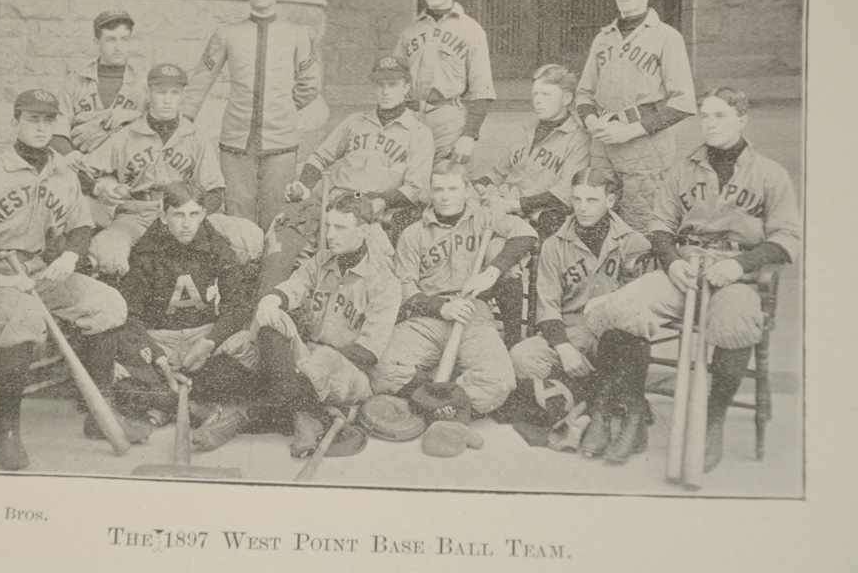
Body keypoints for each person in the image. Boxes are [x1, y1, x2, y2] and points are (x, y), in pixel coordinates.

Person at [585, 87, 800, 470]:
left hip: (736, 275)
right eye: (705, 116)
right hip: (683, 269)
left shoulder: (770, 173)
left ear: (741, 119)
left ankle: (711, 419)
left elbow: (787, 239)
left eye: (720, 115)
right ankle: (635, 415)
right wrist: (670, 262)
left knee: (734, 325)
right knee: (623, 306)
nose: (711, 123)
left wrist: (740, 265)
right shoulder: (683, 169)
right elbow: (660, 224)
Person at [0, 89, 132, 471]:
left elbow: (81, 226)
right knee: (26, 317)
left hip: (41, 270)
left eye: (48, 120)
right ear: (16, 122)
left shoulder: (64, 172)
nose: (41, 127)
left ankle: (99, 413)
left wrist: (70, 255)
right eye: (32, 120)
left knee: (109, 304)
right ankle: (6, 431)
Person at [233, 193, 403, 457]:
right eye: (329, 226)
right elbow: (294, 286)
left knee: (313, 365)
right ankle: (305, 414)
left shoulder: (384, 281)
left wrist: (301, 367)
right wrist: (271, 299)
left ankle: (244, 415)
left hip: (349, 370)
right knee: (269, 324)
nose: (330, 235)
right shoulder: (323, 260)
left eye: (340, 228)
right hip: (310, 354)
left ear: (364, 230)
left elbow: (367, 353)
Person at [369, 161, 537, 416]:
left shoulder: (484, 217)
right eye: (438, 190)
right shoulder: (413, 234)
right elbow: (404, 288)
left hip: (473, 313)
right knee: (380, 366)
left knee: (500, 381)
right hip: (426, 318)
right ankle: (442, 400)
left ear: (466, 189)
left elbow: (527, 234)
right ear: (431, 191)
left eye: (453, 189)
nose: (445, 197)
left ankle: (436, 402)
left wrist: (491, 273)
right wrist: (442, 308)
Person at [259, 55, 434, 295]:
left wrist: (380, 201)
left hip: (373, 206)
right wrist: (303, 186)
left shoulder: (419, 133)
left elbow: (413, 188)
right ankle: (269, 306)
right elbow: (320, 157)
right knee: (284, 234)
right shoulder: (355, 122)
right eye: (380, 85)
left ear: (406, 87)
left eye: (392, 85)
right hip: (334, 200)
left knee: (374, 263)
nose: (385, 91)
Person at [508, 168, 651, 462]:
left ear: (610, 200)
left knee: (627, 343)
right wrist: (564, 349)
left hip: (611, 335)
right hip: (570, 330)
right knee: (521, 356)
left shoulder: (634, 242)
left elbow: (639, 309)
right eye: (577, 199)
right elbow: (546, 305)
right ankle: (608, 395)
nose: (583, 208)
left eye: (592, 200)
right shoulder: (554, 244)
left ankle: (589, 400)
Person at [111, 181, 265, 430]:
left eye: (194, 215)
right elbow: (130, 315)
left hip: (202, 337)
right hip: (161, 341)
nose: (186, 224)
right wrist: (159, 357)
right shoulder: (146, 251)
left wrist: (209, 342)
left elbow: (237, 306)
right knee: (117, 364)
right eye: (178, 215)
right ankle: (193, 403)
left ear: (203, 215)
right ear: (163, 216)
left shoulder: (217, 246)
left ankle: (163, 402)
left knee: (250, 348)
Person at [183, 0, 322, 231]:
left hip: (280, 140)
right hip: (237, 139)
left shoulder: (295, 33)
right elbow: (202, 78)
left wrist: (283, 108)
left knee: (276, 214)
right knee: (238, 214)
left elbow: (311, 83)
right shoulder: (227, 33)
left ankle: (271, 273)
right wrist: (184, 120)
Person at [575, 0, 697, 233]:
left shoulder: (666, 37)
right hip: (603, 143)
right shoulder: (604, 37)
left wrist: (631, 131)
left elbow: (683, 103)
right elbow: (584, 93)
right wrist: (591, 120)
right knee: (595, 219)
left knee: (642, 224)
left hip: (645, 145)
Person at [81, 63, 225, 276]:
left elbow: (215, 191)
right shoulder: (126, 135)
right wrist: (99, 188)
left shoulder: (195, 136)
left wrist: (192, 220)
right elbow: (81, 171)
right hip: (137, 215)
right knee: (106, 252)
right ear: (148, 93)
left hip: (184, 215)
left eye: (174, 93)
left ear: (183, 96)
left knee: (247, 238)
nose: (167, 100)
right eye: (160, 92)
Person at [393, 0, 495, 164]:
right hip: (411, 117)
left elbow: (482, 89)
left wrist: (469, 135)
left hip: (449, 119)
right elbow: (394, 79)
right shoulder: (410, 31)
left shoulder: (471, 30)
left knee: (447, 185)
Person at [475, 63, 591, 239]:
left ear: (566, 98)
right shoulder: (527, 129)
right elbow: (499, 173)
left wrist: (514, 205)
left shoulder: (578, 138)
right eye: (535, 94)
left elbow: (566, 192)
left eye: (546, 94)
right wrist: (477, 185)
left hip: (539, 215)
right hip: (506, 206)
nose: (537, 100)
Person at [50, 10, 146, 160]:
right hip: (81, 165)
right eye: (110, 40)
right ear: (97, 42)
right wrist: (70, 156)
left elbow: (160, 128)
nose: (118, 47)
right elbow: (57, 131)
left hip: (128, 168)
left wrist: (135, 116)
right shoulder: (75, 82)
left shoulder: (144, 83)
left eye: (124, 39)